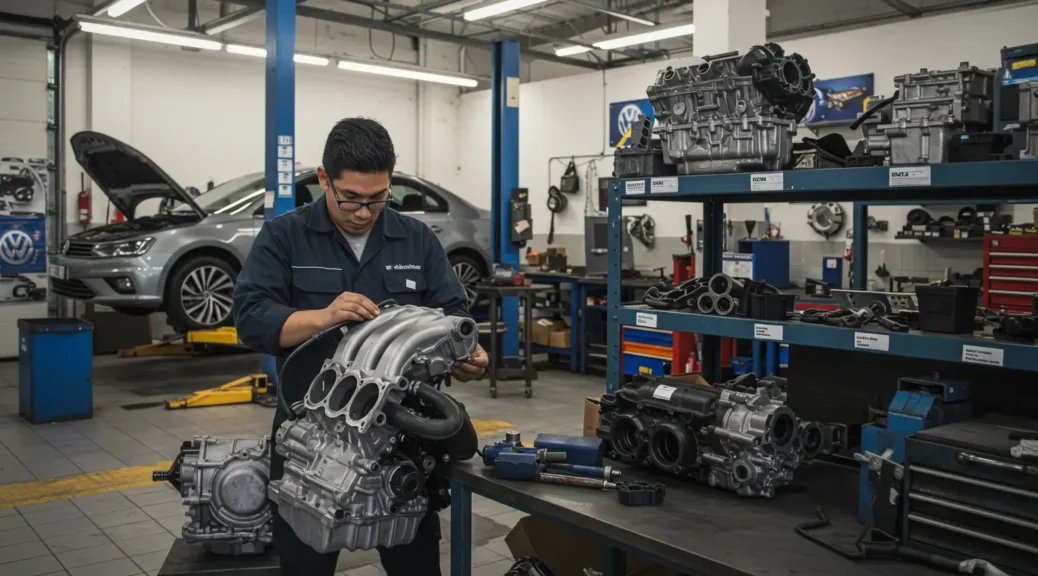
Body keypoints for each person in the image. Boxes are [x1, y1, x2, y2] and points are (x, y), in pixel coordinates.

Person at [233, 117, 488, 576]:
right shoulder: (284, 236)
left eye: (378, 198)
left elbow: (455, 315)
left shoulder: (416, 238)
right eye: (350, 198)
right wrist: (322, 317)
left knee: (416, 564)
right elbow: (250, 319)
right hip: (309, 436)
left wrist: (469, 352)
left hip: (402, 441)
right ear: (323, 179)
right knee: (304, 565)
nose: (365, 212)